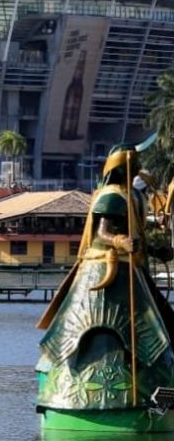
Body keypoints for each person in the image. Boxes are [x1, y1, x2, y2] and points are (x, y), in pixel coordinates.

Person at [36, 145, 174, 414]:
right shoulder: (110, 196)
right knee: (101, 327)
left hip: (131, 271)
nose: (135, 168)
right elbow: (102, 233)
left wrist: (155, 249)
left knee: (161, 325)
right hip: (104, 270)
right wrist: (121, 241)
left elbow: (138, 235)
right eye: (131, 164)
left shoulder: (134, 195)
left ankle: (159, 392)